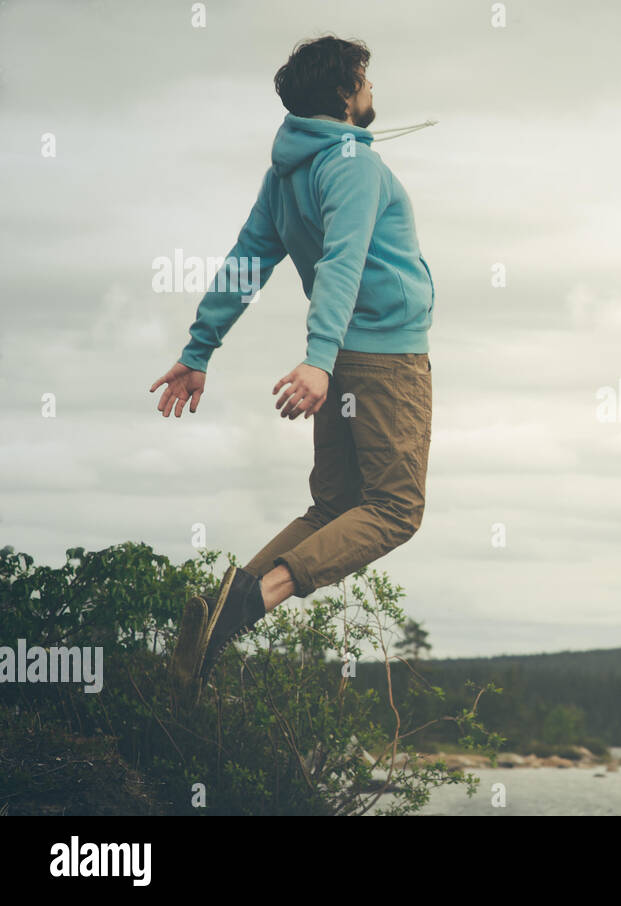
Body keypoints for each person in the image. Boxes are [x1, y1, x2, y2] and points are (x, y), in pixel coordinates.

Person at [152, 36, 435, 702]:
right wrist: (317, 361)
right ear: (345, 92)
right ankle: (255, 601)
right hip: (385, 362)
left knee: (334, 508)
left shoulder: (287, 172)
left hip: (341, 362)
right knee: (396, 511)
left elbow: (247, 258)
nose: (371, 90)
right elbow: (343, 262)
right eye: (365, 78)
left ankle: (214, 626)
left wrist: (199, 350)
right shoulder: (353, 168)